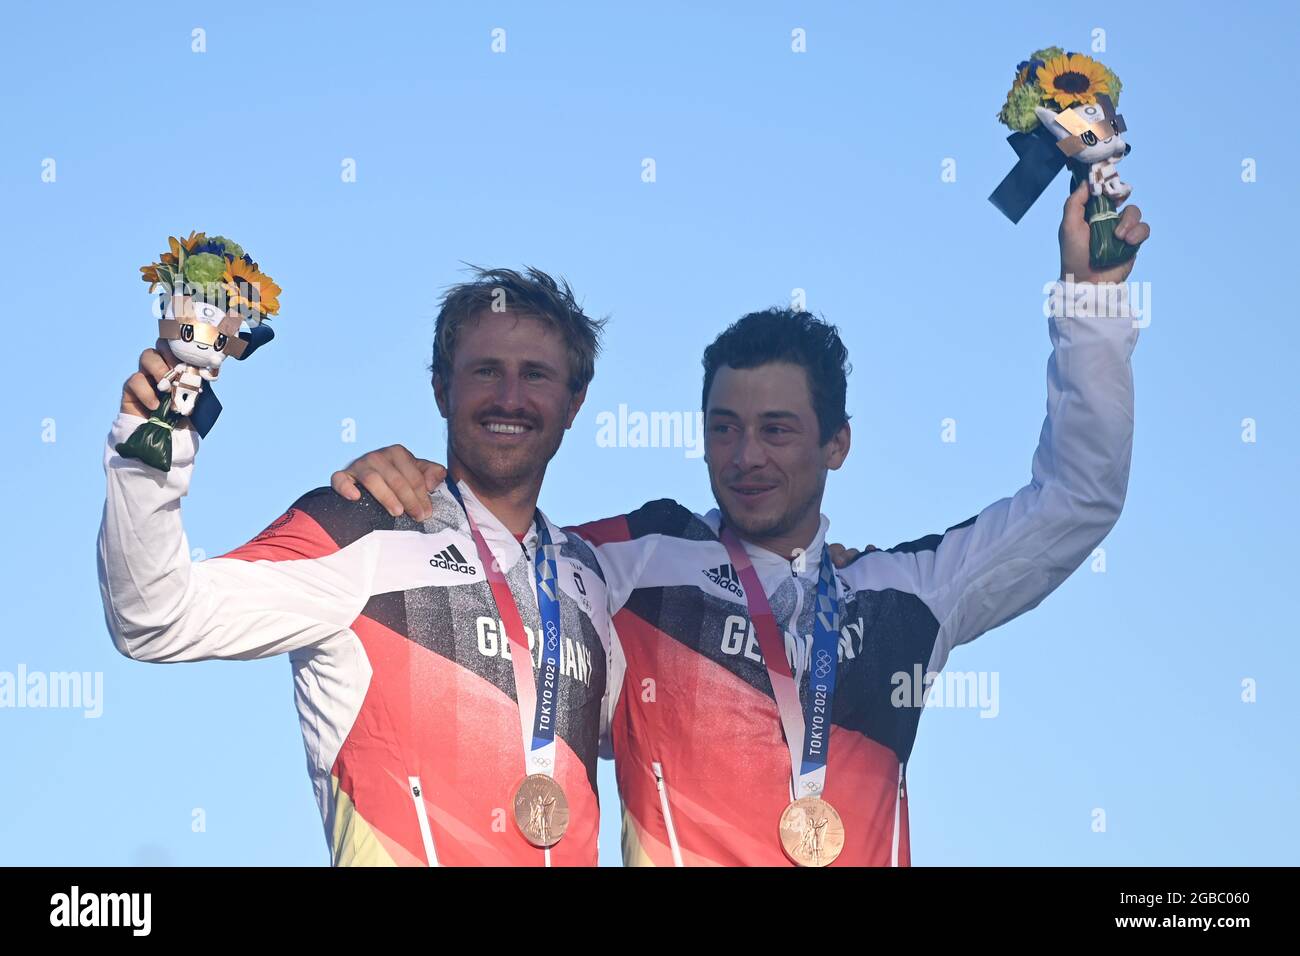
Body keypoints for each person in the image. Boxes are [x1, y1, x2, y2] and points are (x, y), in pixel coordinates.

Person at [333, 181, 1150, 865]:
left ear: (838, 444)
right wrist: (404, 481)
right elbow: (499, 551)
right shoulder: (630, 565)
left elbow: (1077, 498)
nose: (746, 456)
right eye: (723, 428)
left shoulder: (908, 593)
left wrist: (1094, 304)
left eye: (777, 430)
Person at [98, 267, 614, 866]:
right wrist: (151, 445)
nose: (509, 398)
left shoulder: (599, 584)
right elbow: (154, 616)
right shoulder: (361, 524)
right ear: (440, 389)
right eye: (486, 371)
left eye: (536, 374)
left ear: (575, 403)